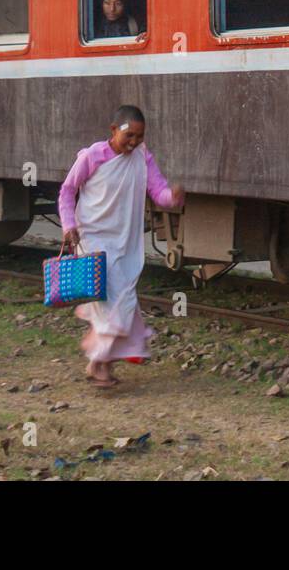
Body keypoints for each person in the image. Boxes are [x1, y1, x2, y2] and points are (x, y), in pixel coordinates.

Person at [58, 105, 184, 387]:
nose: (134, 142)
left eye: (140, 137)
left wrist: (172, 197)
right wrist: (69, 226)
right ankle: (99, 362)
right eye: (129, 135)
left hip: (124, 243)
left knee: (119, 302)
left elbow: (158, 191)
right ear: (113, 130)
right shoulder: (92, 156)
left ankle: (99, 362)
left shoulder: (142, 157)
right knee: (118, 301)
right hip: (92, 239)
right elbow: (67, 191)